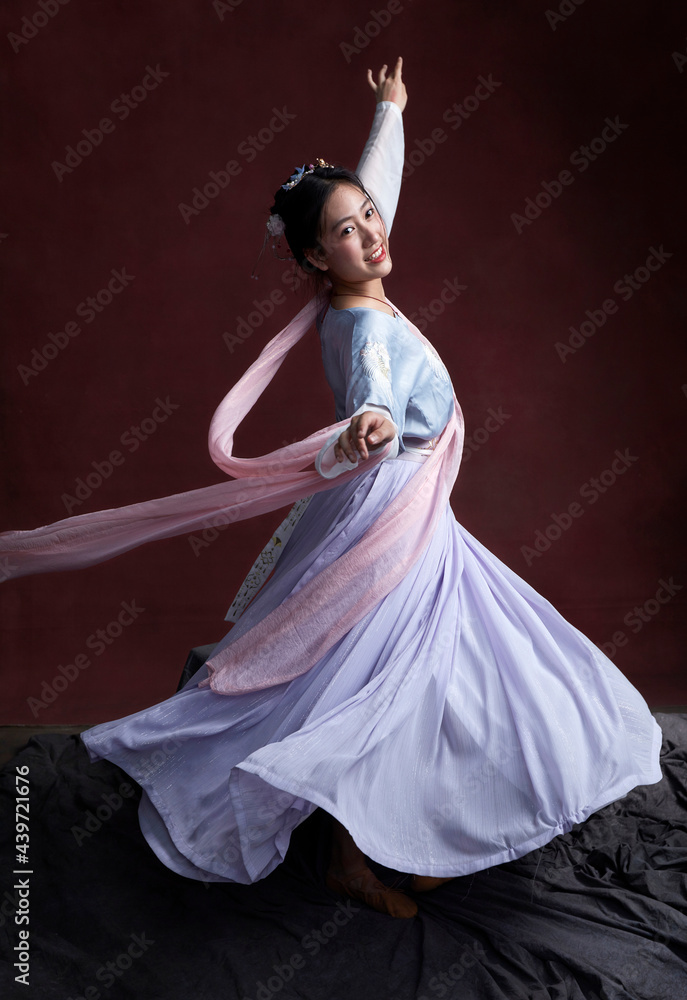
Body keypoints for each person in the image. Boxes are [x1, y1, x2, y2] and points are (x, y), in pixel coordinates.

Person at [1, 58, 663, 921]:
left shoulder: (358, 279)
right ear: (316, 255)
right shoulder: (357, 328)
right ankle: (360, 850)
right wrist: (370, 426)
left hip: (404, 509)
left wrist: (388, 112)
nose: (371, 232)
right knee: (386, 675)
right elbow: (374, 394)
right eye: (346, 232)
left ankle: (396, 835)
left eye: (369, 218)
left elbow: (370, 190)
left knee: (425, 668)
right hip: (388, 516)